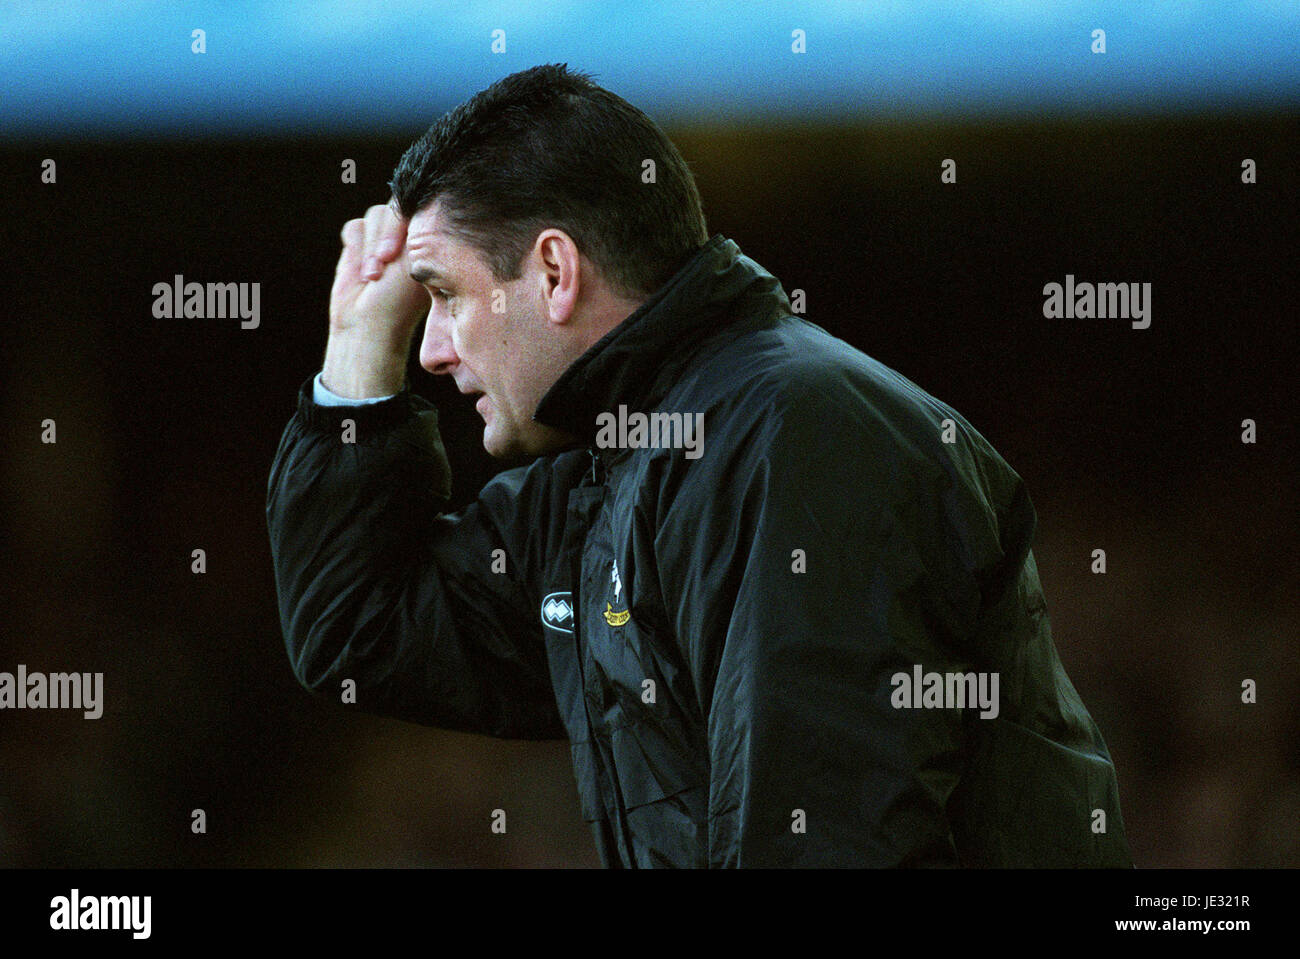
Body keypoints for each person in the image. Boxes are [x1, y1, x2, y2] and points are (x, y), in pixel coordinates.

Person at [266, 63, 1132, 868]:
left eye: (444, 296)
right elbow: (360, 630)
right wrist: (353, 356)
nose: (433, 352)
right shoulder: (610, 471)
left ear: (555, 272)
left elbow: (817, 845)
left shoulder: (790, 434)